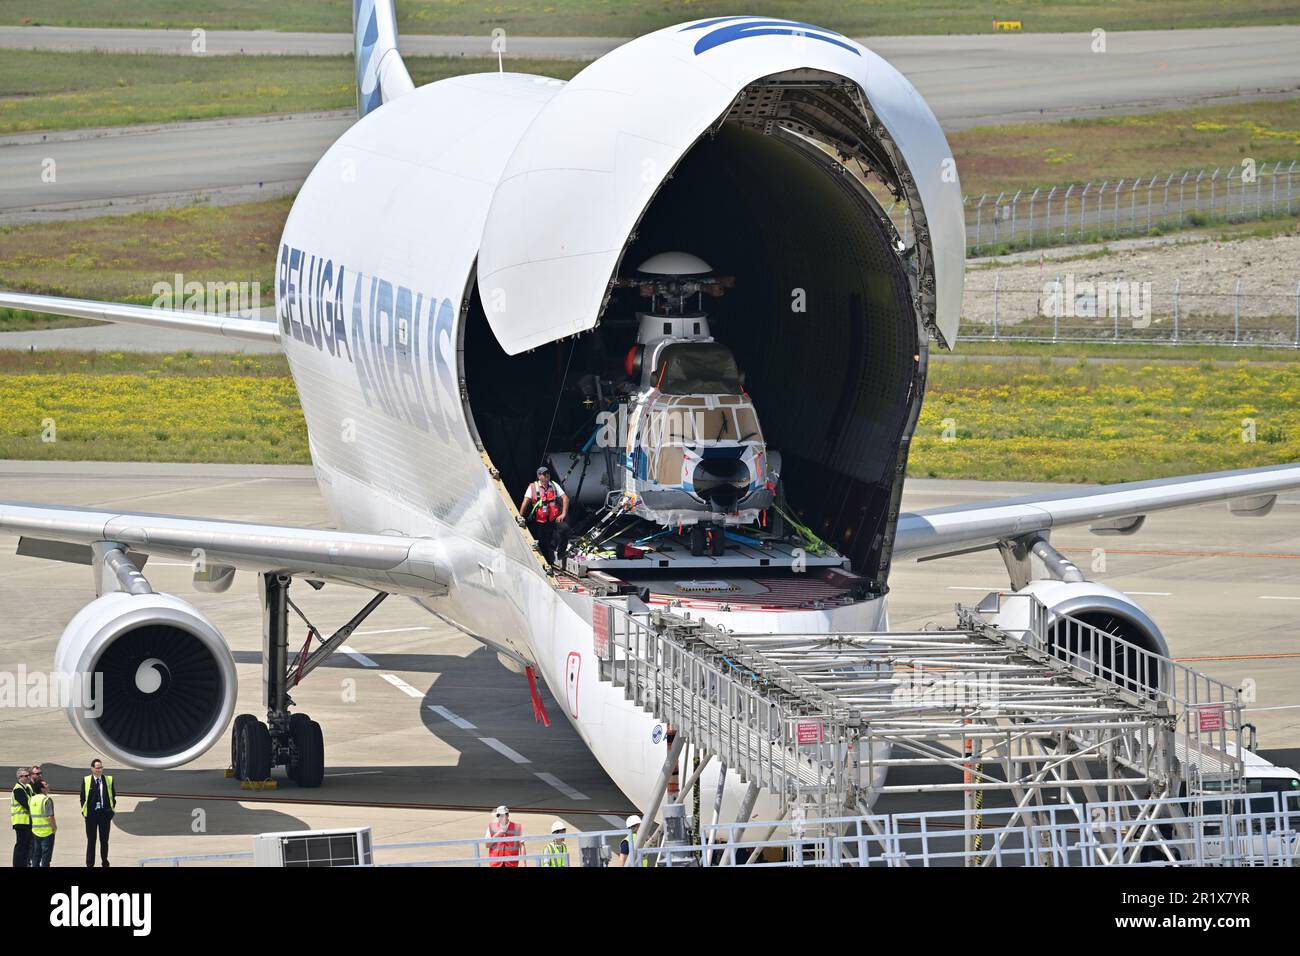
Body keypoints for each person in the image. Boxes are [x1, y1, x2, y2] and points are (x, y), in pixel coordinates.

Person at [518, 466, 570, 569]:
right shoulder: (533, 487)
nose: (547, 475)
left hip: (553, 518)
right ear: (539, 476)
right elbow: (525, 502)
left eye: (548, 473)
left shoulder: (554, 485)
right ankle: (547, 565)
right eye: (544, 474)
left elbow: (565, 498)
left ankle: (560, 553)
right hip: (540, 520)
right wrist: (520, 517)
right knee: (543, 542)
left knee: (565, 529)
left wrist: (563, 514)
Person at [80, 758, 116, 868]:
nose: (100, 770)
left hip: (104, 815)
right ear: (92, 769)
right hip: (91, 815)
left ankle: (105, 862)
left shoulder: (108, 779)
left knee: (104, 841)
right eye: (97, 768)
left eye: (101, 767)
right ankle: (90, 864)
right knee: (91, 841)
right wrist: (85, 811)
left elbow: (113, 795)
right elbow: (82, 797)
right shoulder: (86, 780)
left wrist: (110, 809)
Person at [29, 780, 56, 868]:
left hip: (35, 831)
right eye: (45, 785)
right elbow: (50, 816)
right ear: (42, 789)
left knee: (36, 855)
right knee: (46, 857)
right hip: (47, 832)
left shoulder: (31, 799)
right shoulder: (46, 800)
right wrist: (54, 828)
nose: (48, 786)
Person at [10, 767, 32, 868]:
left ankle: (24, 863)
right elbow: (26, 804)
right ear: (20, 777)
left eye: (28, 775)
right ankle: (18, 864)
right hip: (20, 822)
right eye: (26, 776)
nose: (28, 777)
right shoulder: (18, 790)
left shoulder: (27, 787)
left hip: (27, 822)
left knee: (26, 845)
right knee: (21, 845)